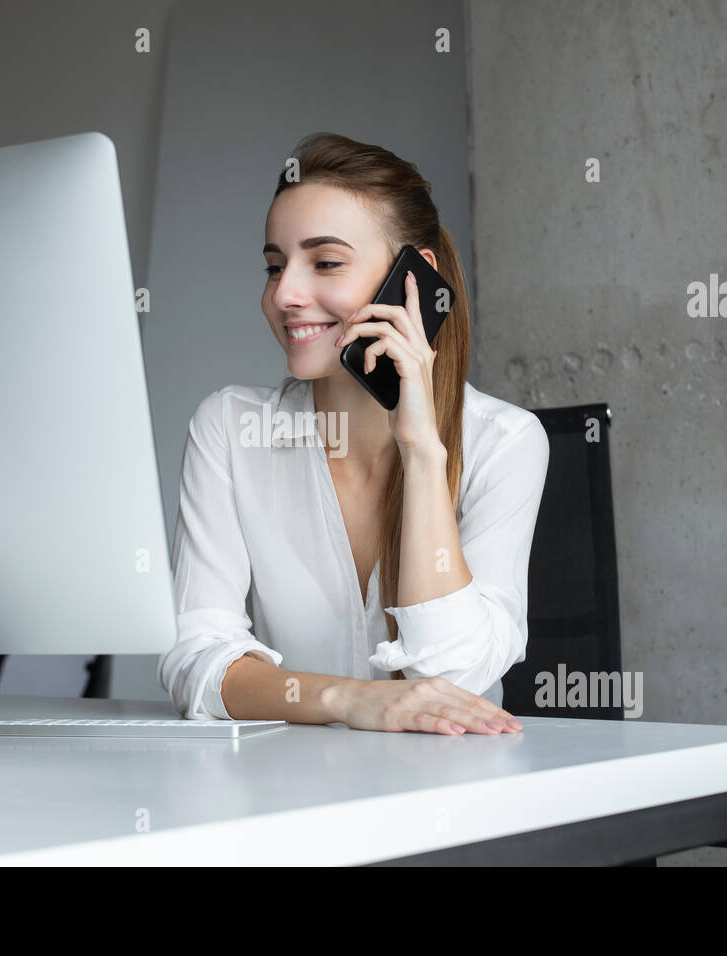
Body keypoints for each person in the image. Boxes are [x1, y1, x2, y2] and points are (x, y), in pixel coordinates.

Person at [157, 132, 549, 735]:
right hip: (289, 801)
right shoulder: (231, 430)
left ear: (414, 281)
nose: (284, 293)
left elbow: (455, 671)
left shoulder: (506, 442)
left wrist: (421, 451)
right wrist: (349, 700)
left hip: (454, 801)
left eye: (326, 262)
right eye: (273, 266)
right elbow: (197, 660)